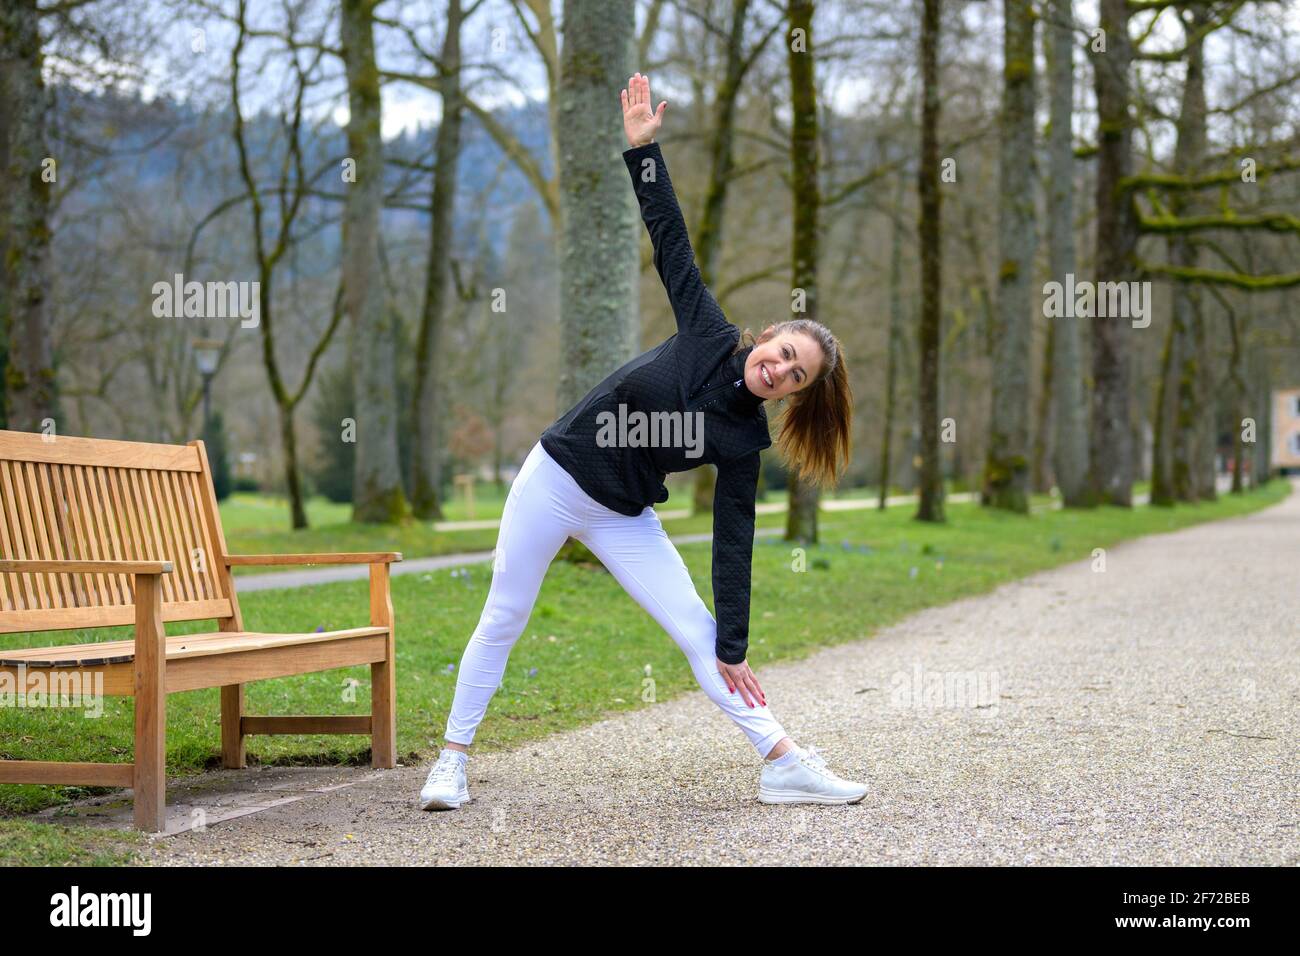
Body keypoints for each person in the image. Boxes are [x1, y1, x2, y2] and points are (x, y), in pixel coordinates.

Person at [420, 73, 865, 810]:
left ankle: (781, 761)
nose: (780, 368)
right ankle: (451, 762)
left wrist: (734, 642)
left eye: (796, 374)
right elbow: (671, 241)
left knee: (700, 633)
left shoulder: (742, 441)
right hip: (556, 476)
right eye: (783, 351)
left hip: (624, 514)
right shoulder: (705, 330)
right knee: (503, 615)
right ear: (766, 337)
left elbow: (734, 540)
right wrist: (644, 152)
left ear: (794, 394)